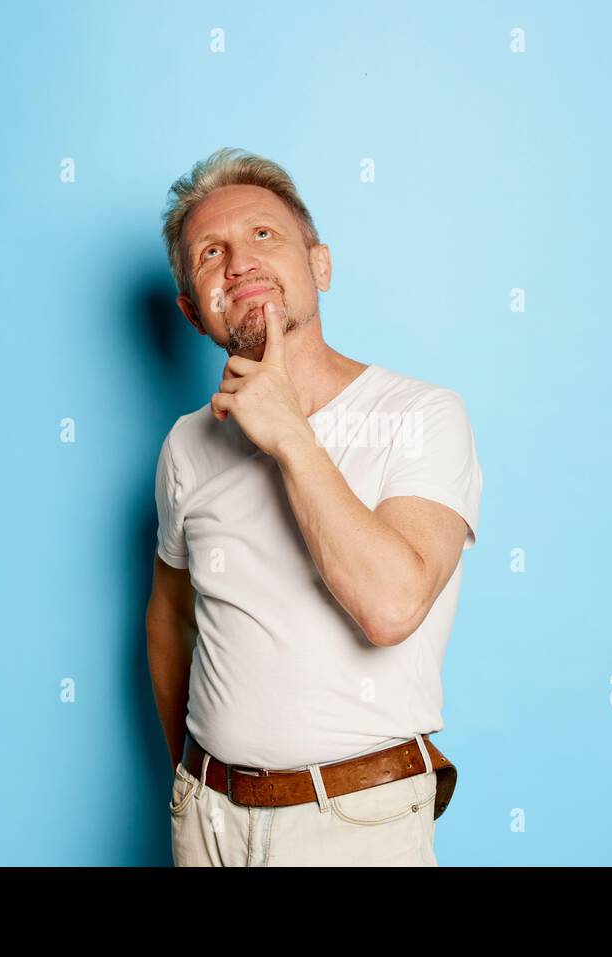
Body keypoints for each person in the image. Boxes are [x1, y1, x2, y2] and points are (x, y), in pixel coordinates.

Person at [146, 147, 482, 866]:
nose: (239, 262)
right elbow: (169, 615)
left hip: (353, 828)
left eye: (264, 235)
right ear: (191, 308)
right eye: (211, 253)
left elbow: (391, 607)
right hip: (206, 822)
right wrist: (194, 779)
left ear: (320, 266)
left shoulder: (421, 415)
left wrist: (289, 433)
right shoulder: (185, 446)